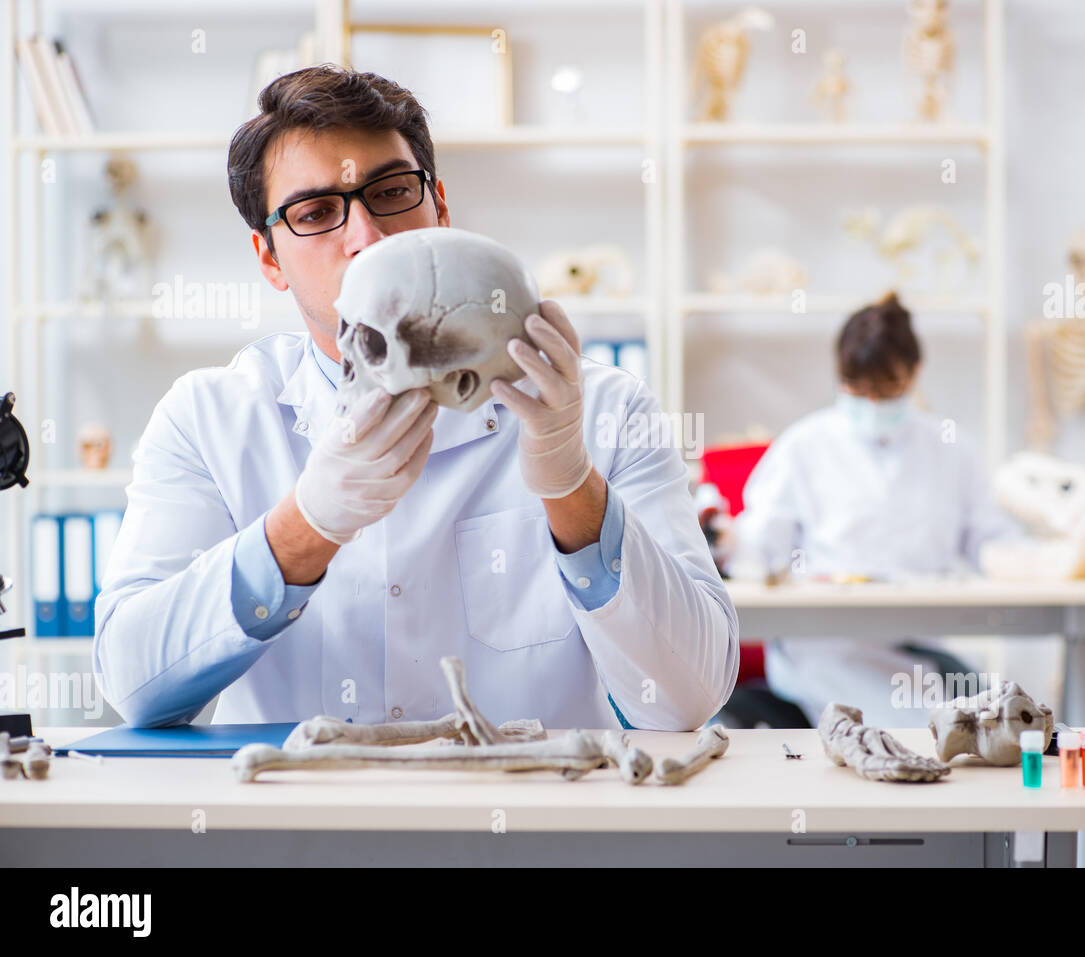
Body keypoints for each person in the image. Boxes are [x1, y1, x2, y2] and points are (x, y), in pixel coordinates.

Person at [93, 65, 738, 730]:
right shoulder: (208, 419)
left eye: (392, 191)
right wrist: (304, 527)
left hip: (533, 825)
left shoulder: (604, 411)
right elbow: (134, 685)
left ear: (441, 209)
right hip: (301, 826)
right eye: (315, 212)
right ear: (269, 260)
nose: (366, 235)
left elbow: (689, 697)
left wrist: (572, 486)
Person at [731, 292, 1019, 729]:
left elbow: (990, 541)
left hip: (916, 639)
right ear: (838, 376)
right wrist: (726, 541)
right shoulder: (804, 446)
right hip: (824, 644)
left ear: (916, 373)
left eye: (887, 390)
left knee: (967, 716)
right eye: (857, 389)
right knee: (922, 725)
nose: (872, 404)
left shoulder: (951, 448)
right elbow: (759, 548)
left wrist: (1038, 559)